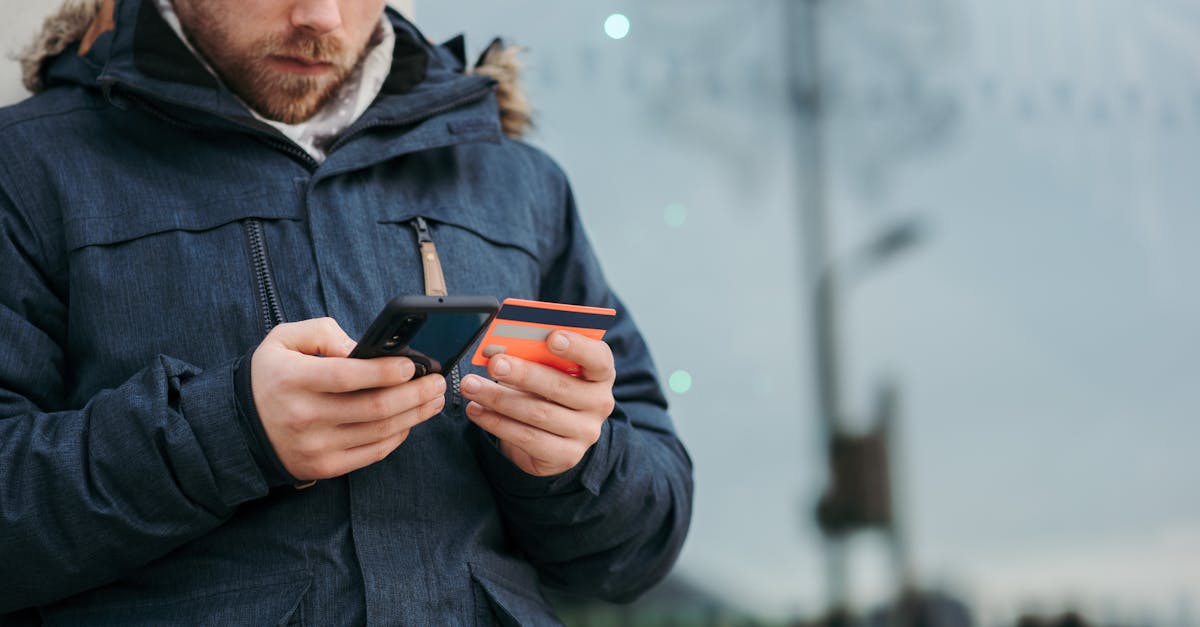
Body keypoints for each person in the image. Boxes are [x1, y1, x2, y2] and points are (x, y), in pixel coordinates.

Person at [0, 0, 693, 623]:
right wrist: (229, 434)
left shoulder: (515, 181)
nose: (321, 16)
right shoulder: (26, 167)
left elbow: (639, 551)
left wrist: (572, 460)